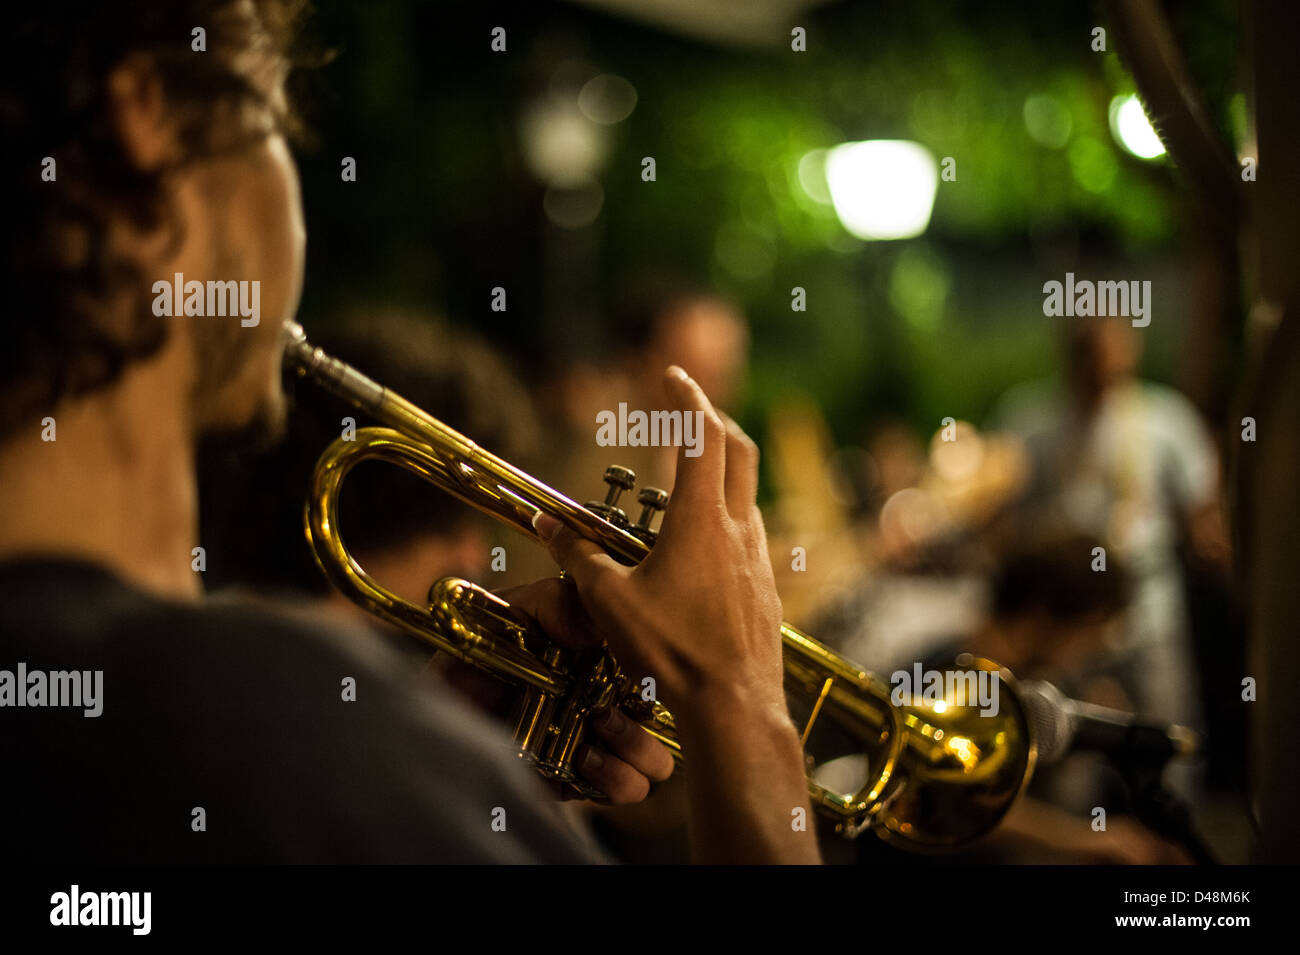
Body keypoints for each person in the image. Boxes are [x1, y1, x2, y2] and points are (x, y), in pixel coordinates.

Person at [0, 1, 819, 865]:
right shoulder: (264, 723)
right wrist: (738, 703)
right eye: (275, 124)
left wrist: (445, 760)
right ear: (153, 130)